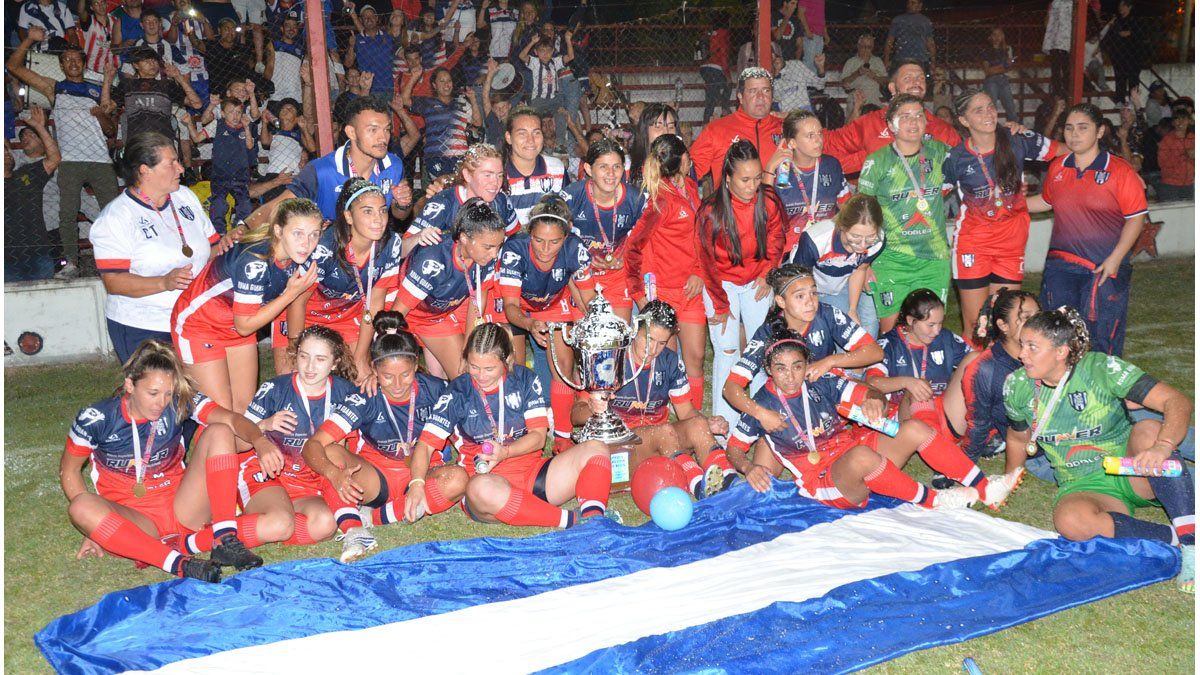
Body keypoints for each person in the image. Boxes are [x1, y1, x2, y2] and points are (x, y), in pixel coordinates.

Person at [1002, 306, 1195, 592]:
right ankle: (1174, 536)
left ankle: (1192, 547)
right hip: (1082, 483)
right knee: (1070, 521)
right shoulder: (1017, 386)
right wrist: (1007, 481)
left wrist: (1162, 447)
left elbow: (1176, 401)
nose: (1022, 354)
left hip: (1133, 467)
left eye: (1032, 347)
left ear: (1061, 351)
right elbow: (1019, 439)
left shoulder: (1101, 368)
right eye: (1022, 345)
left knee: (1149, 430)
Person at [62, 342, 282, 583]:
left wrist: (259, 440)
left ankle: (224, 539)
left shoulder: (179, 401)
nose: (161, 402)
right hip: (136, 521)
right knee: (81, 507)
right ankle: (180, 563)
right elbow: (69, 471)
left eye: (168, 393)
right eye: (153, 393)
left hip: (183, 507)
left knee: (220, 431)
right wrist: (93, 530)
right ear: (130, 385)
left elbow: (231, 419)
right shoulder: (98, 418)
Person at [725, 328, 980, 510]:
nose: (790, 376)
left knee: (914, 428)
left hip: (852, 451)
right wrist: (748, 468)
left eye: (797, 366)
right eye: (781, 368)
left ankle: (983, 486)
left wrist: (874, 399)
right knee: (862, 456)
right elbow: (734, 447)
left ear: (807, 365)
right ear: (769, 369)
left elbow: (867, 391)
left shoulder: (819, 381)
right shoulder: (760, 404)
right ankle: (934, 501)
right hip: (823, 479)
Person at [301, 314, 468, 562]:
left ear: (416, 366)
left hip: (423, 471)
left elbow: (466, 431)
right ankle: (354, 531)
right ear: (374, 369)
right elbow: (312, 446)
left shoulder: (438, 390)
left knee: (458, 479)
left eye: (406, 374)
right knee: (331, 451)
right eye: (388, 376)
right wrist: (333, 473)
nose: (398, 384)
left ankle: (373, 517)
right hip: (376, 476)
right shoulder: (364, 397)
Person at [419, 322, 617, 527]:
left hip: (533, 475)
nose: (480, 376)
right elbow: (425, 445)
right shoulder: (457, 392)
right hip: (486, 483)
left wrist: (505, 452)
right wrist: (417, 484)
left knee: (596, 448)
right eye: (474, 367)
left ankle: (594, 519)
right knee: (482, 489)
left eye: (489, 368)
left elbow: (538, 438)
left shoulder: (524, 379)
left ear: (507, 360)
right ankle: (573, 520)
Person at [865, 288, 1023, 503]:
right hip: (906, 422)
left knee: (977, 360)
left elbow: (980, 362)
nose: (937, 330)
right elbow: (872, 383)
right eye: (930, 325)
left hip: (945, 415)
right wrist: (906, 382)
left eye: (940, 323)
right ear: (910, 321)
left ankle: (975, 439)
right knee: (918, 390)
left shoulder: (946, 338)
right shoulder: (889, 344)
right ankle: (948, 462)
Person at [569, 300, 736, 497]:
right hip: (623, 448)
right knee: (663, 431)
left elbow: (686, 412)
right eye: (648, 339)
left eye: (662, 343)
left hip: (664, 444)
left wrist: (708, 423)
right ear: (634, 330)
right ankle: (698, 486)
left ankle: (731, 481)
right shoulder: (610, 358)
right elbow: (575, 416)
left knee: (698, 424)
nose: (653, 349)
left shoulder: (670, 361)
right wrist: (595, 406)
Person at [170, 197, 320, 416]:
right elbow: (245, 326)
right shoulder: (256, 260)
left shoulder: (299, 256)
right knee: (221, 415)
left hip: (237, 325)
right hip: (200, 326)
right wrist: (291, 293)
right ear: (278, 231)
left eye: (314, 234)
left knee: (244, 411)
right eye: (298, 233)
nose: (306, 243)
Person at [90, 133, 226, 363]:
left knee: (198, 385)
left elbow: (210, 250)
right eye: (171, 163)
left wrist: (228, 244)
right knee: (160, 386)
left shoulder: (185, 197)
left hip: (192, 317)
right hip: (143, 325)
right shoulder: (116, 216)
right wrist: (164, 282)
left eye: (178, 161)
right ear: (145, 171)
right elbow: (113, 281)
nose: (181, 169)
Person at [1026, 103, 1147, 356]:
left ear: (1100, 131)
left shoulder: (1120, 170)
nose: (1074, 134)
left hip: (1103, 267)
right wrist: (1011, 204)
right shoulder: (1058, 167)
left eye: (1083, 128)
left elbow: (1136, 219)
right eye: (1069, 128)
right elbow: (1046, 201)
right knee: (1057, 336)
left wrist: (1115, 259)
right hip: (1061, 266)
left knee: (1101, 338)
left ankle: (1102, 382)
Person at [944, 89, 1062, 342]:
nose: (988, 113)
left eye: (990, 106)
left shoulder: (1017, 139)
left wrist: (1054, 190)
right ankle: (974, 367)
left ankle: (1003, 368)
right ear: (964, 120)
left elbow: (1065, 153)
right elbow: (931, 197)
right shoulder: (956, 158)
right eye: (978, 110)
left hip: (1011, 244)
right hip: (974, 244)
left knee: (1007, 324)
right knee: (976, 327)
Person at [8, 27, 120, 280]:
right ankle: (71, 262)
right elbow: (14, 67)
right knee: (67, 215)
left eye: (76, 59)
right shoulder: (54, 88)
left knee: (114, 213)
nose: (72, 63)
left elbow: (111, 131)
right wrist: (29, 39)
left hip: (100, 161)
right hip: (70, 162)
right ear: (61, 65)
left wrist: (101, 115)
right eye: (67, 60)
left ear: (84, 63)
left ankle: (120, 258)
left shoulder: (96, 90)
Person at [624, 134, 723, 413]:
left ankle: (693, 418)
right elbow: (633, 249)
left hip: (690, 288)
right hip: (663, 292)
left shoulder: (690, 187)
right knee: (665, 360)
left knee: (696, 356)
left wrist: (699, 272)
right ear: (682, 159)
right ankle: (658, 414)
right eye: (689, 155)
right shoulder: (661, 201)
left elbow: (700, 237)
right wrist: (640, 296)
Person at [721, 264, 883, 432]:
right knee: (778, 435)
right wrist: (761, 414)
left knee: (877, 400)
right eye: (800, 296)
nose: (810, 302)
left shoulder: (827, 314)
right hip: (789, 394)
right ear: (781, 301)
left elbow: (875, 352)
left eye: (814, 293)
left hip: (828, 385)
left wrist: (830, 361)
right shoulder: (768, 333)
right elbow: (730, 387)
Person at [242, 326, 363, 549]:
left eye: (320, 359)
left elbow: (346, 448)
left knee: (325, 523)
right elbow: (236, 441)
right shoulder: (274, 389)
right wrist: (264, 425)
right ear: (295, 355)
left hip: (310, 478)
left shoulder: (346, 393)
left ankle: (269, 522)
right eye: (304, 356)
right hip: (269, 474)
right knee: (279, 522)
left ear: (335, 363)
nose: (309, 366)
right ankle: (224, 531)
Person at [697, 140, 785, 430]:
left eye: (757, 178)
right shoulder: (711, 211)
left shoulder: (768, 201)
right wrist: (720, 304)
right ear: (728, 178)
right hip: (721, 284)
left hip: (756, 280)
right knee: (726, 349)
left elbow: (776, 237)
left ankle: (761, 416)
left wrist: (768, 272)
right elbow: (706, 261)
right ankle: (725, 426)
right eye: (745, 180)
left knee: (761, 346)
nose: (752, 186)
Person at [497, 194, 596, 450]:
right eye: (538, 240)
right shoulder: (514, 250)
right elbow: (510, 306)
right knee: (513, 370)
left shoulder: (575, 248)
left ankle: (562, 436)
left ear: (566, 237)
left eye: (554, 242)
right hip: (516, 306)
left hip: (552, 303)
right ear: (529, 233)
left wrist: (597, 324)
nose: (545, 249)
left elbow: (589, 300)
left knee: (563, 367)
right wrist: (529, 324)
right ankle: (517, 427)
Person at [284, 179, 403, 381]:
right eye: (368, 211)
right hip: (307, 315)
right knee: (296, 380)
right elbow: (297, 301)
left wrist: (360, 357)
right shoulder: (325, 246)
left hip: (347, 315)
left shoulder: (391, 243)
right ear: (348, 216)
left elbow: (374, 304)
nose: (378, 219)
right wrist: (296, 349)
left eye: (383, 210)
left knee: (361, 377)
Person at [857, 93, 953, 334]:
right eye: (905, 116)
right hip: (891, 259)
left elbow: (978, 158)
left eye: (919, 115)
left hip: (934, 259)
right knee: (893, 333)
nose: (914, 121)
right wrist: (863, 264)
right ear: (891, 125)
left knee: (929, 330)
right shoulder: (877, 161)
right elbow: (861, 216)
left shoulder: (941, 153)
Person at [244, 95, 413, 226]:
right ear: (351, 132)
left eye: (386, 129)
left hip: (373, 251)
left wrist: (403, 204)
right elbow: (276, 206)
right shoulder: (321, 170)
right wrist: (243, 228)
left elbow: (400, 214)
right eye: (373, 130)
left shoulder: (394, 165)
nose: (383, 138)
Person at [390, 197, 507, 378]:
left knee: (466, 375)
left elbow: (476, 306)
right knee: (395, 375)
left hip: (435, 318)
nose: (494, 254)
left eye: (498, 247)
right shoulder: (434, 259)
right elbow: (396, 314)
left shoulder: (485, 259)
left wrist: (467, 352)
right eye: (488, 247)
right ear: (464, 238)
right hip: (402, 313)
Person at [823, 59, 959, 176]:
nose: (916, 82)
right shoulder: (871, 123)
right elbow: (829, 145)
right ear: (893, 88)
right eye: (908, 78)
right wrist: (868, 159)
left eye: (921, 78)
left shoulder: (943, 130)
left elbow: (960, 170)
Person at [560, 138, 644, 322]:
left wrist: (626, 259)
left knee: (619, 333)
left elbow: (649, 241)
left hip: (617, 276)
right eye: (603, 167)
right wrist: (573, 287)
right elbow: (556, 245)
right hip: (580, 277)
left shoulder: (636, 199)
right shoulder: (571, 197)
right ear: (589, 169)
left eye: (616, 167)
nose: (611, 174)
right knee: (586, 336)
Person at [960, 289, 1039, 466]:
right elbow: (978, 424)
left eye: (1038, 315)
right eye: (1027, 317)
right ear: (1004, 325)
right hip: (1035, 453)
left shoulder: (1047, 351)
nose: (1037, 323)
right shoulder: (987, 368)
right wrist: (962, 469)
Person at [788, 194, 884, 339]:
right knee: (833, 332)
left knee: (861, 329)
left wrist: (852, 309)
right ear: (842, 226)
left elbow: (860, 269)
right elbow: (799, 283)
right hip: (813, 287)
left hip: (843, 283)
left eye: (870, 237)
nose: (863, 245)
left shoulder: (878, 240)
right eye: (856, 236)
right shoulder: (816, 240)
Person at [764, 109, 852, 254]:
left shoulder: (831, 165)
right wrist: (769, 168)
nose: (819, 140)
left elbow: (847, 208)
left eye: (820, 133)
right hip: (788, 252)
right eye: (810, 135)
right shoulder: (782, 170)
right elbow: (764, 214)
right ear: (792, 143)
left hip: (826, 248)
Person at [689, 67, 782, 188]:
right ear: (740, 97)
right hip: (730, 200)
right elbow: (687, 176)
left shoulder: (786, 128)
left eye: (766, 90)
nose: (760, 97)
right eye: (753, 91)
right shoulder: (716, 130)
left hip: (778, 199)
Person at [406, 142, 520, 238]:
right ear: (467, 175)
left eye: (499, 175)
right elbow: (404, 248)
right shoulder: (444, 203)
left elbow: (514, 240)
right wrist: (420, 237)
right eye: (487, 175)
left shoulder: (501, 200)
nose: (496, 182)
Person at [4, 109, 61, 282]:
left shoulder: (26, 174)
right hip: (6, 260)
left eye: (6, 150)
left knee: (45, 296)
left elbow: (54, 158)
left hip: (38, 253)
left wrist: (40, 127)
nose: (6, 154)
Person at [103, 47, 203, 143]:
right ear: (136, 65)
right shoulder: (127, 84)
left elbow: (196, 104)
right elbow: (106, 109)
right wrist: (107, 80)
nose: (152, 64)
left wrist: (179, 77)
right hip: (137, 142)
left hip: (163, 141)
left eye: (154, 60)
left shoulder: (167, 85)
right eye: (146, 61)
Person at [503, 106, 568, 225]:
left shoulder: (556, 169)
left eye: (536, 132)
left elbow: (566, 216)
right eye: (522, 134)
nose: (531, 140)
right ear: (508, 137)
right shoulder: (496, 173)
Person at [207, 97, 257, 230]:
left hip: (240, 173)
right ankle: (219, 232)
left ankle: (239, 231)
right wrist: (190, 124)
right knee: (218, 204)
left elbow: (250, 146)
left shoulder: (245, 128)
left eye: (238, 112)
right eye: (231, 112)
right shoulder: (217, 125)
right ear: (223, 113)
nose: (235, 116)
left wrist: (247, 127)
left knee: (245, 205)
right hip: (220, 173)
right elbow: (196, 137)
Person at [627, 102, 680, 187]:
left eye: (671, 127)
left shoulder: (683, 167)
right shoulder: (627, 167)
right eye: (658, 126)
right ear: (645, 131)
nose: (666, 132)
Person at [840, 33, 887, 120]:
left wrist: (874, 77)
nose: (866, 50)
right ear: (858, 46)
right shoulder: (851, 62)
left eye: (869, 47)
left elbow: (885, 81)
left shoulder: (877, 61)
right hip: (855, 102)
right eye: (863, 46)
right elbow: (844, 84)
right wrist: (857, 73)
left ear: (872, 48)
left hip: (873, 101)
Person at [698, 13, 732, 124]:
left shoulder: (708, 33)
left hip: (704, 67)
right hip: (716, 67)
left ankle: (707, 121)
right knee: (727, 85)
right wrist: (727, 75)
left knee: (711, 97)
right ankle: (724, 109)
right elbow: (723, 55)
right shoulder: (723, 35)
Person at [883, 0, 934, 72]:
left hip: (921, 59)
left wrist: (933, 61)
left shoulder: (925, 21)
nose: (910, 5)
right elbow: (890, 40)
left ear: (920, 5)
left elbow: (930, 43)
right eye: (908, 3)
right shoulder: (898, 20)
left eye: (913, 3)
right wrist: (886, 60)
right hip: (901, 59)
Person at [770, 49, 826, 114]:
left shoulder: (796, 64)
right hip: (787, 112)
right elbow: (776, 100)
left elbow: (820, 85)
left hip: (804, 109)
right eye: (772, 59)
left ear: (781, 55)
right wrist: (776, 76)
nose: (776, 60)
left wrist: (820, 67)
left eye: (777, 56)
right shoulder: (771, 75)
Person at [981, 28, 1018, 121]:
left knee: (1011, 110)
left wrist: (1000, 68)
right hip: (991, 81)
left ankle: (1014, 129)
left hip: (1003, 79)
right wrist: (1002, 67)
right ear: (990, 37)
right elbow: (988, 71)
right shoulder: (986, 50)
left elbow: (1008, 67)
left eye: (999, 34)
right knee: (991, 109)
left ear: (1003, 36)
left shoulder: (1007, 49)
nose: (997, 37)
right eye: (994, 34)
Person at [1156, 111, 1194, 201]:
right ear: (1173, 123)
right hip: (1170, 185)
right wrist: (1184, 155)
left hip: (1189, 184)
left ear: (1189, 121)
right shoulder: (1167, 140)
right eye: (1177, 119)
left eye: (1184, 119)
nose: (1180, 122)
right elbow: (1162, 163)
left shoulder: (1194, 138)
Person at [1043, 0, 1072, 100]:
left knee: (1063, 68)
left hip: (1063, 42)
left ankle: (1062, 92)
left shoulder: (1072, 3)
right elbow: (1047, 22)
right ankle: (1059, 92)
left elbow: (1047, 22)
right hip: (1057, 41)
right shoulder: (1055, 3)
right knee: (1058, 69)